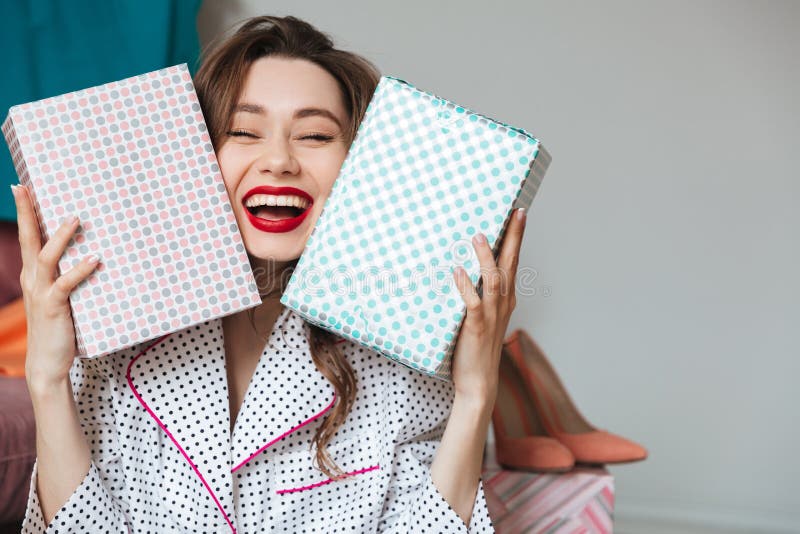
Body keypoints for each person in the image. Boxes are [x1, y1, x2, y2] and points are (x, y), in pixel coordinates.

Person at [13, 15, 527, 533]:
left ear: (361, 165)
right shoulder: (114, 338)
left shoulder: (406, 361)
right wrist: (48, 380)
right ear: (195, 153)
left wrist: (475, 395)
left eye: (314, 135)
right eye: (242, 130)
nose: (278, 159)